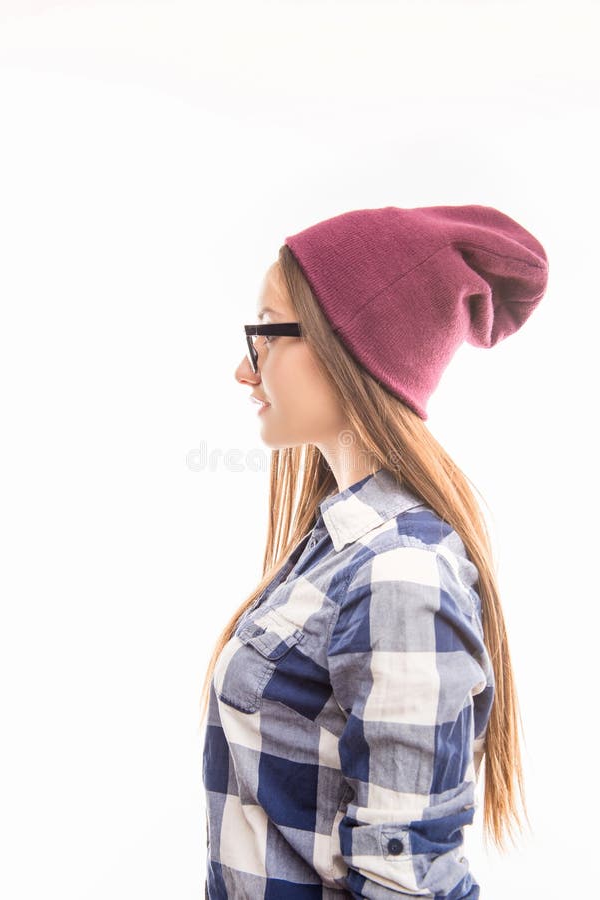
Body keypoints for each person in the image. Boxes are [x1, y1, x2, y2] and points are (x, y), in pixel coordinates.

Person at [200, 204, 549, 898]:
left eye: (266, 333)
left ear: (344, 348)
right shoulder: (333, 548)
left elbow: (404, 883)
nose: (245, 370)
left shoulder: (399, 572)